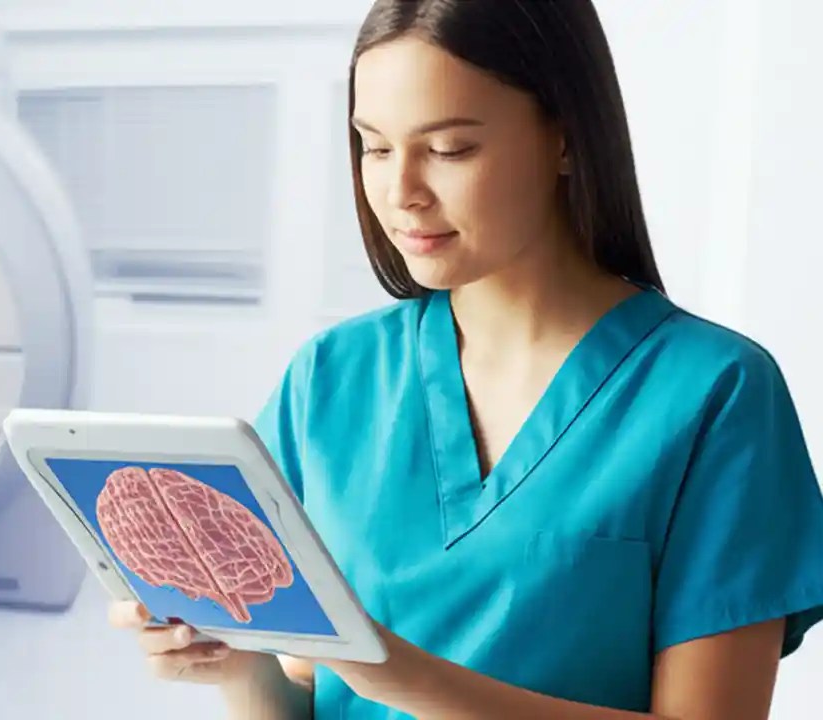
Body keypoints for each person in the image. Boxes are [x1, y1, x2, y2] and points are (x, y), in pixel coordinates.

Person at [108, 0, 823, 717]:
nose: (402, 194)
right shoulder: (330, 379)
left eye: (449, 149)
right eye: (375, 148)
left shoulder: (714, 393)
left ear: (566, 139)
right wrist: (241, 665)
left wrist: (399, 674)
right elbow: (314, 694)